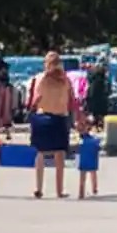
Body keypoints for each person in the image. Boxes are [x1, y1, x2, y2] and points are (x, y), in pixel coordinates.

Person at [28, 51, 76, 199]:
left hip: (43, 116)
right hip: (60, 118)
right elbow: (71, 100)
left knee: (41, 153)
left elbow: (35, 99)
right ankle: (59, 190)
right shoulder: (65, 80)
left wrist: (31, 111)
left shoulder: (40, 79)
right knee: (60, 154)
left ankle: (38, 187)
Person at [76, 119, 100, 199]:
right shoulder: (93, 138)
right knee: (92, 172)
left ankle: (82, 192)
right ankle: (93, 188)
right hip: (90, 157)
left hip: (84, 157)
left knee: (83, 175)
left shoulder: (80, 139)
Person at [85, 63, 110, 131]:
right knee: (101, 113)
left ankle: (94, 127)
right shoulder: (104, 80)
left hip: (93, 97)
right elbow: (108, 90)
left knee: (94, 113)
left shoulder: (92, 79)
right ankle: (100, 126)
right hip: (102, 98)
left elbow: (89, 89)